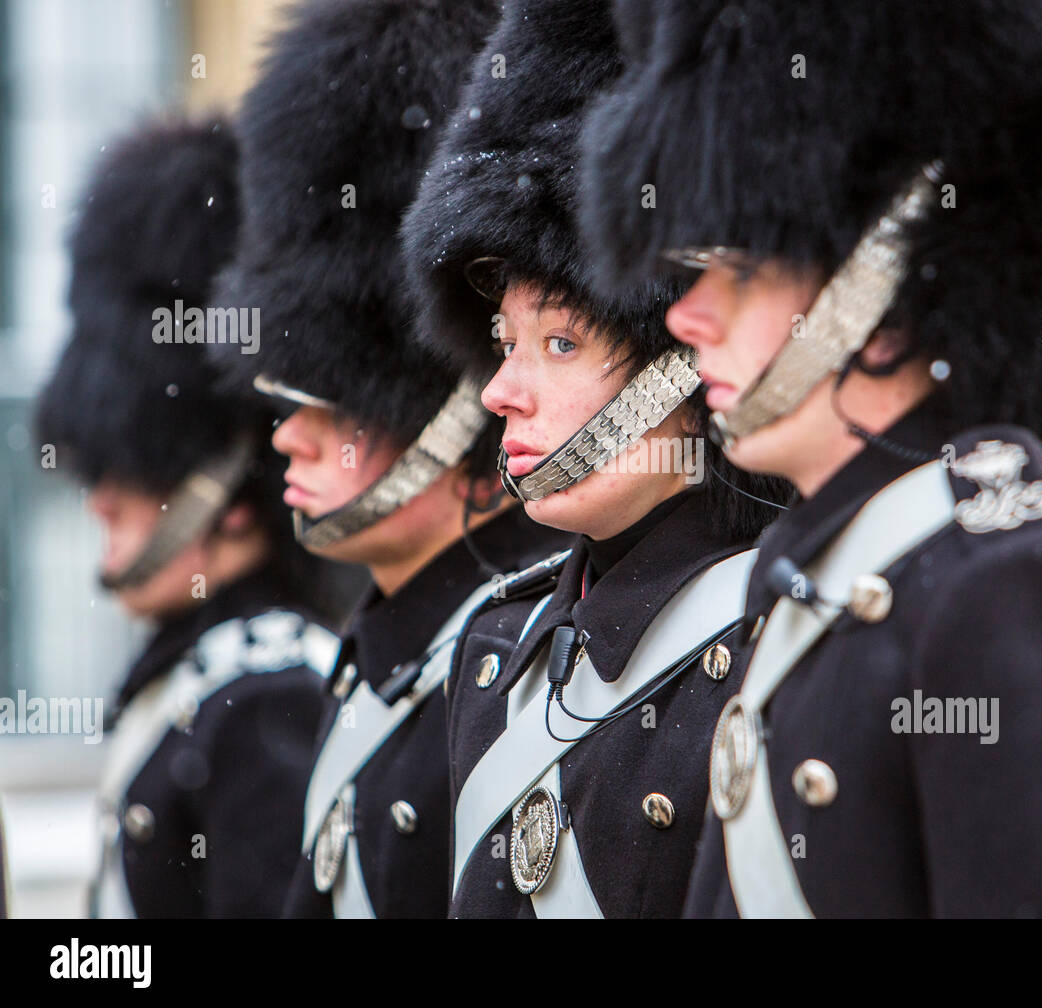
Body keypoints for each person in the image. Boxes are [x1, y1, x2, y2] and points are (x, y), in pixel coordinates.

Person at [578, 0, 1042, 916]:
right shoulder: (853, 585)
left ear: (892, 280)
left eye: (743, 270)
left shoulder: (1029, 594)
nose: (684, 315)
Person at [401, 0, 791, 918]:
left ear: (685, 369)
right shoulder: (497, 646)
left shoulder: (773, 636)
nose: (501, 391)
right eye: (504, 342)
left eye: (562, 344)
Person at [209, 0, 566, 918]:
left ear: (455, 402)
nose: (286, 433)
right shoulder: (376, 657)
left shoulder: (518, 662)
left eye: (334, 399)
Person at [35, 116, 340, 918]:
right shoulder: (199, 676)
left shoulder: (267, 689)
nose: (101, 494)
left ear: (237, 500)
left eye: (142, 467)